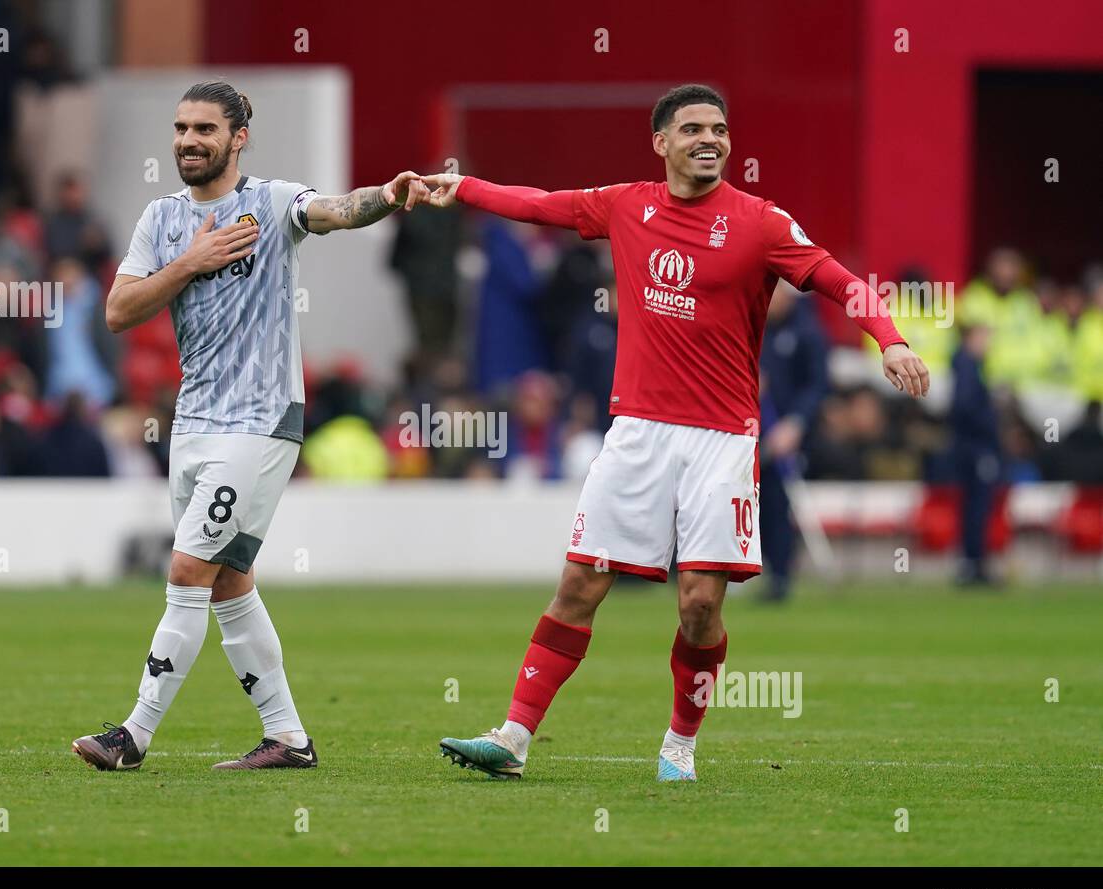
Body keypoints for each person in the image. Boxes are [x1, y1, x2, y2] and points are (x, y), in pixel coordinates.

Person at [424, 83, 929, 782]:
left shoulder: (761, 222)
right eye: (692, 127)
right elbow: (539, 204)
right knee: (579, 584)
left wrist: (892, 341)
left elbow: (845, 283)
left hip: (722, 440)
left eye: (719, 128)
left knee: (698, 604)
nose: (710, 139)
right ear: (661, 142)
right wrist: (464, 188)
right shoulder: (626, 204)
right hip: (637, 433)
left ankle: (679, 747)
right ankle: (512, 737)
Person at [71, 81, 429, 772]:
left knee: (186, 568)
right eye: (180, 128)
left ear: (239, 137)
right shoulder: (162, 219)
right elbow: (119, 311)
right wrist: (191, 262)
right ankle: (290, 738)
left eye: (205, 129)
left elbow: (333, 211)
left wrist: (386, 196)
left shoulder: (269, 203)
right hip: (195, 422)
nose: (187, 141)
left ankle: (132, 736)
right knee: (229, 581)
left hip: (261, 420)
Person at [758, 280, 828, 601]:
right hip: (751, 427)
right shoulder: (754, 325)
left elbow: (816, 386)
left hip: (790, 432)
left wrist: (795, 424)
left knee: (778, 502)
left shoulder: (808, 333)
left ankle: (781, 575)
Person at [950, 322, 1002, 586]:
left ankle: (973, 563)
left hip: (970, 446)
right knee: (977, 507)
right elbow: (965, 407)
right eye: (984, 337)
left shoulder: (967, 366)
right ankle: (975, 564)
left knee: (974, 506)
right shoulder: (968, 367)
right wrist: (989, 424)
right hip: (976, 447)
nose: (988, 344)